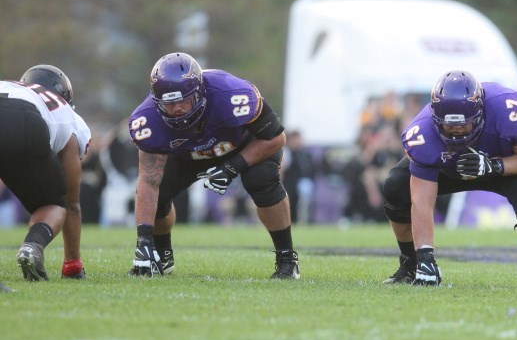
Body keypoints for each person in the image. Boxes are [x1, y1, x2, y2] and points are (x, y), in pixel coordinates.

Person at [126, 52, 298, 279]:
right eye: (169, 103)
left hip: (243, 145)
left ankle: (286, 259)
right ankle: (159, 253)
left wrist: (233, 166)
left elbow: (276, 138)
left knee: (261, 180)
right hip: (188, 153)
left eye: (182, 100)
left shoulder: (231, 93)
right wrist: (143, 239)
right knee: (160, 192)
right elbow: (148, 181)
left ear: (199, 93)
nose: (176, 109)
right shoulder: (147, 120)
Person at [381, 70, 517, 288]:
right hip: (448, 169)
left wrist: (493, 165)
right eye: (448, 125)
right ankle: (412, 265)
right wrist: (426, 257)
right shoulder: (423, 133)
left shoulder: (504, 107)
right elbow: (421, 203)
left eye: (463, 124)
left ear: (480, 112)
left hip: (503, 166)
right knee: (396, 186)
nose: (456, 132)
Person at [0, 65, 91, 286]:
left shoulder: (10, 85)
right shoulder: (67, 114)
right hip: (24, 119)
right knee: (55, 205)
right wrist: (72, 264)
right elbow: (72, 203)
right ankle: (33, 246)